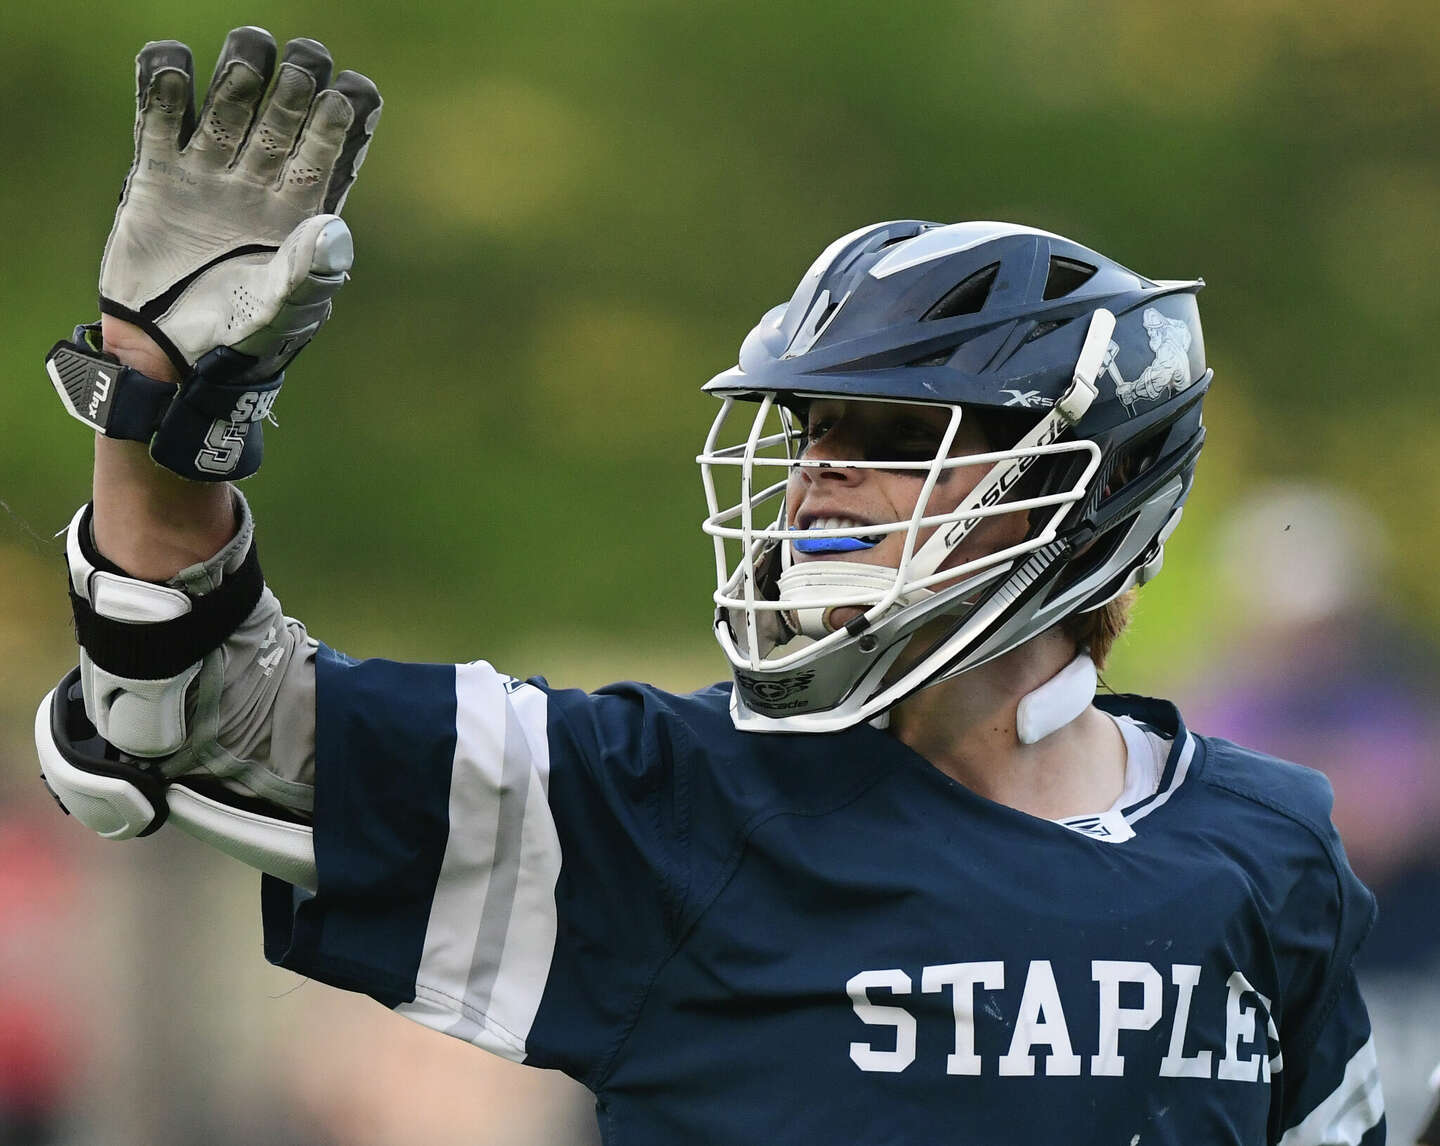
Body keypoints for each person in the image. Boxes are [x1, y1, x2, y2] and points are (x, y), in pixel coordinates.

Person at [35, 27, 1387, 1146]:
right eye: (812, 434)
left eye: (900, 440)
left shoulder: (1268, 850)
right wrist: (159, 408)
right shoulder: (663, 803)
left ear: (1095, 494)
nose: (819, 481)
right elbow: (194, 707)